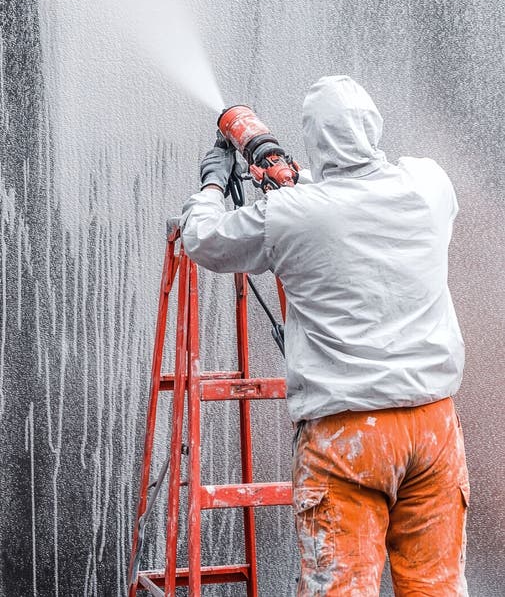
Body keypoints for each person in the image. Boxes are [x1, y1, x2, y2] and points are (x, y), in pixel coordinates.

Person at [181, 75, 469, 597]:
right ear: (373, 126)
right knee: (436, 586)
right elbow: (356, 193)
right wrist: (292, 177)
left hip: (347, 437)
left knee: (339, 588)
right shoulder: (429, 185)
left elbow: (203, 239)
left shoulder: (289, 215)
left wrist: (212, 182)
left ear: (314, 140)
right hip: (434, 429)